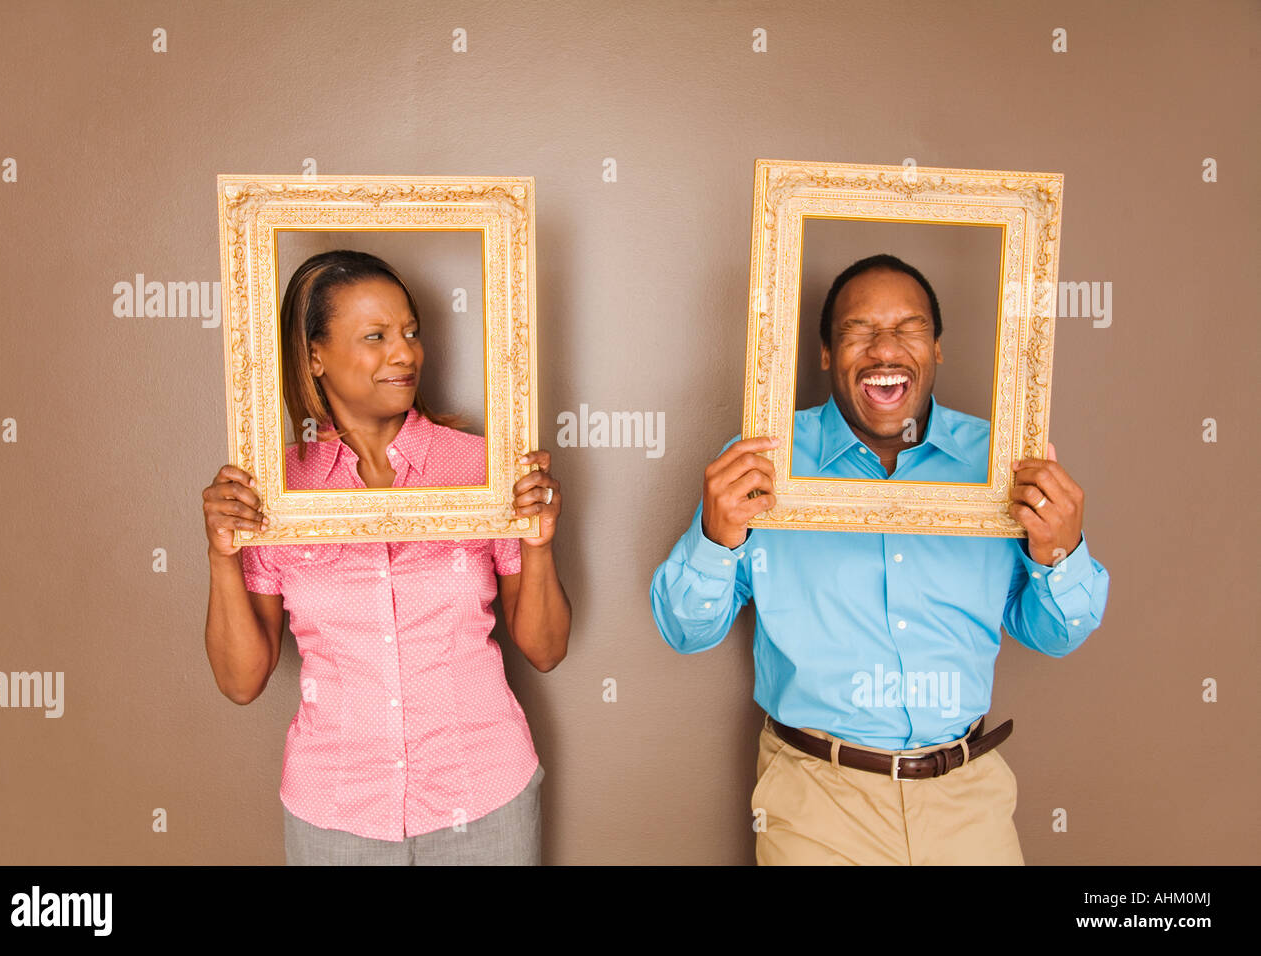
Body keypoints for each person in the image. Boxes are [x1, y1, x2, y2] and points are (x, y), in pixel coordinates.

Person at [650, 253, 1110, 865]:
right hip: (815, 799)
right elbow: (685, 630)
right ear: (824, 353)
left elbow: (1056, 637)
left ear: (938, 347)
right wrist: (717, 535)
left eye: (908, 327)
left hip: (969, 799)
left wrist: (1061, 553)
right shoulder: (760, 463)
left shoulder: (1004, 464)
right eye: (858, 330)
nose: (884, 348)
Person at [202, 250, 571, 866]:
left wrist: (538, 542)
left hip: (484, 794)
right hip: (337, 809)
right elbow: (242, 682)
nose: (405, 354)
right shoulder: (275, 492)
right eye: (375, 337)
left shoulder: (482, 469)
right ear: (315, 356)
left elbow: (546, 649)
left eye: (410, 333)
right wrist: (222, 556)